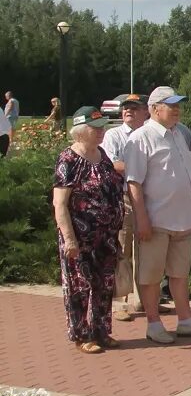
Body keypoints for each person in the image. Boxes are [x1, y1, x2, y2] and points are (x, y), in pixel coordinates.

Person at [123, 86, 191, 343]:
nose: (177, 109)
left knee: (179, 273)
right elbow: (134, 183)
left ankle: (185, 320)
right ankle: (153, 324)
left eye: (178, 105)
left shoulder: (179, 134)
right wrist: (142, 218)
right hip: (156, 220)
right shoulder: (141, 138)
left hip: (182, 219)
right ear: (154, 109)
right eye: (171, 105)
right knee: (151, 275)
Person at [52, 107, 125, 354]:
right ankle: (82, 336)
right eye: (96, 128)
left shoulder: (102, 155)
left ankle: (101, 331)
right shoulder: (69, 160)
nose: (101, 131)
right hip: (80, 238)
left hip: (106, 237)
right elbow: (60, 204)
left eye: (102, 127)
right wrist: (69, 239)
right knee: (79, 287)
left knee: (104, 285)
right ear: (81, 132)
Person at [101, 93, 148, 322]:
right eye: (126, 108)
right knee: (122, 249)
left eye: (134, 107)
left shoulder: (148, 134)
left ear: (146, 111)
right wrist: (144, 165)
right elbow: (111, 164)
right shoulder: (114, 134)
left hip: (148, 198)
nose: (128, 111)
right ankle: (119, 301)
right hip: (124, 198)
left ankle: (142, 300)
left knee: (145, 250)